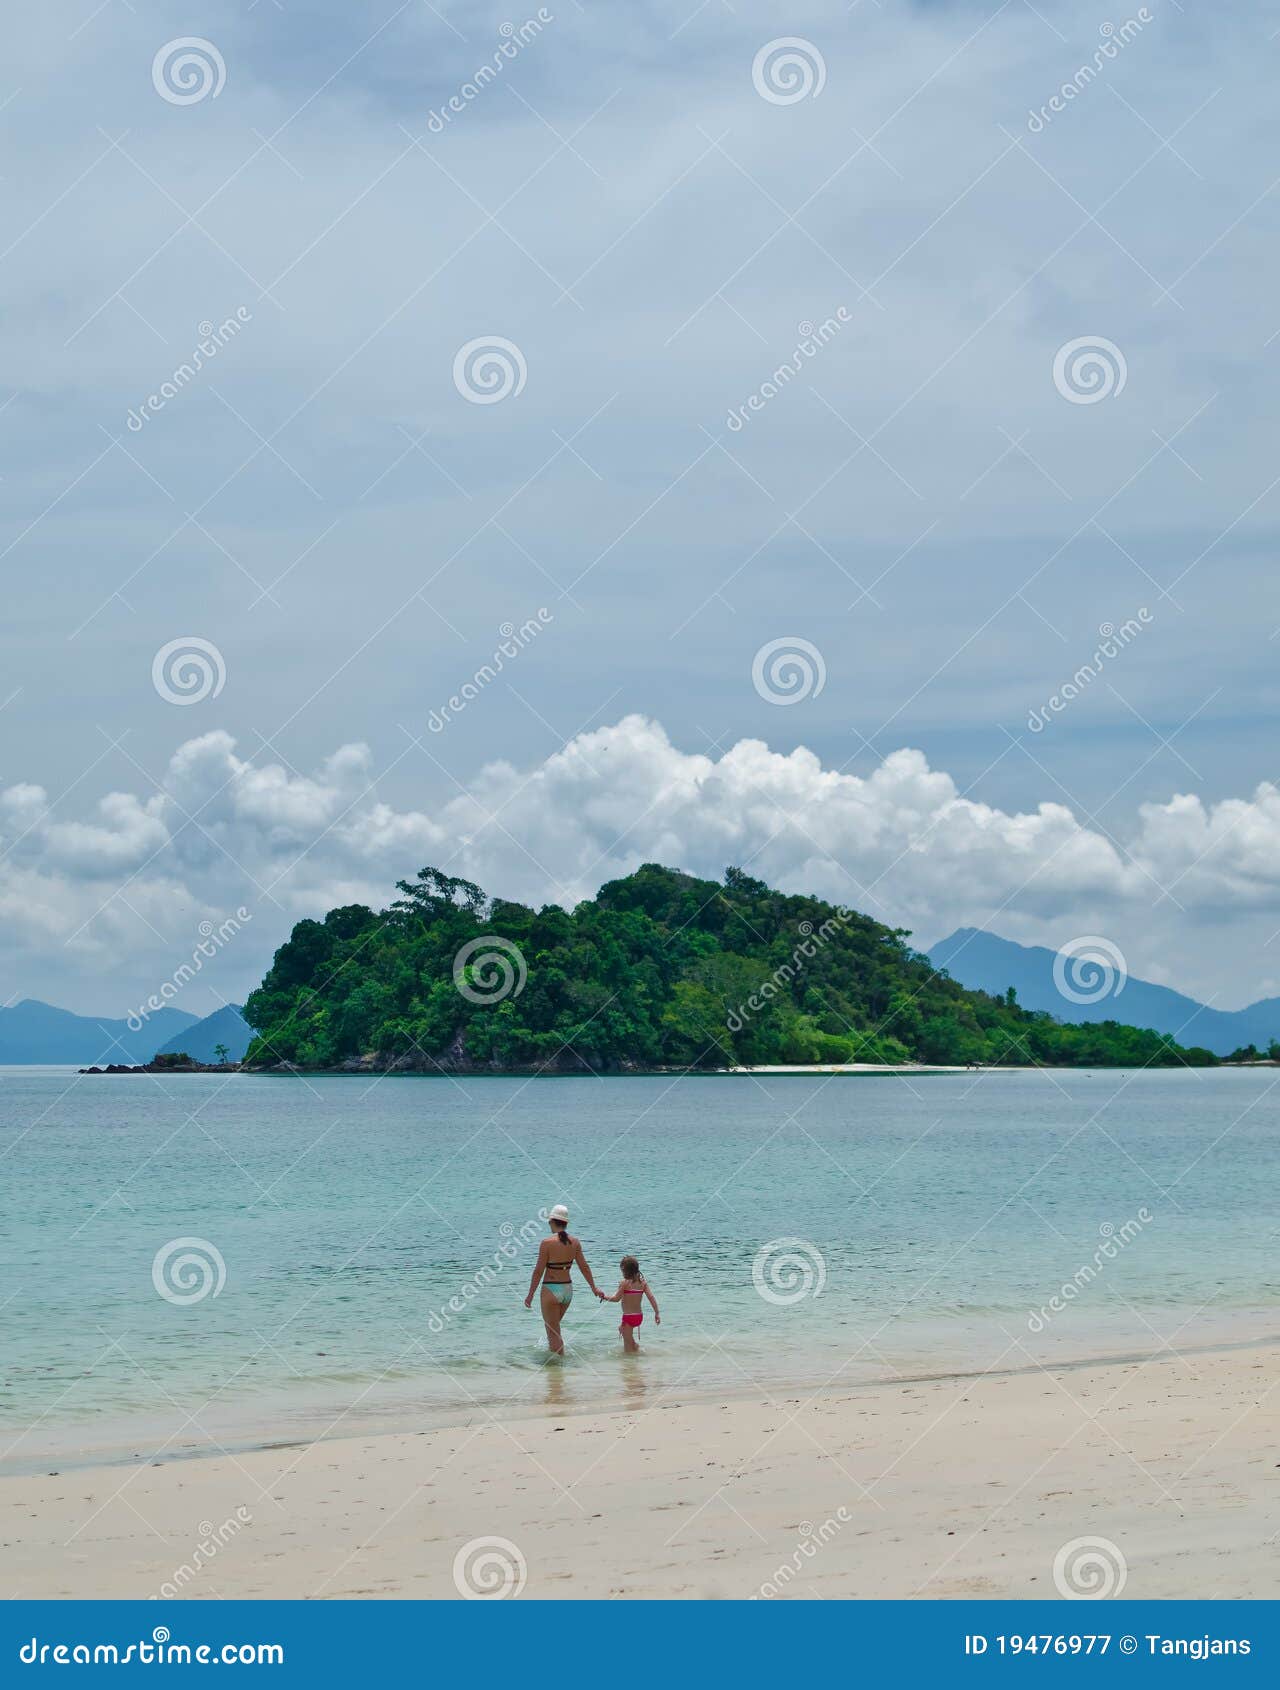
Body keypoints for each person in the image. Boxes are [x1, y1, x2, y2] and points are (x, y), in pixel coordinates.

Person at [524, 1204, 604, 1355]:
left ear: (552, 1221)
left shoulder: (546, 1243)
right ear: (565, 1223)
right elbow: (584, 1267)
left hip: (551, 1289)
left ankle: (559, 1365)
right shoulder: (575, 1242)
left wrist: (530, 1294)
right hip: (567, 1291)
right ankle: (554, 1362)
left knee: (553, 1333)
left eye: (549, 1221)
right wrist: (594, 1288)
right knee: (553, 1330)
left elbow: (538, 1271)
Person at [601, 1254, 660, 1353]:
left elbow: (616, 1299)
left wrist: (604, 1297)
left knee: (627, 1350)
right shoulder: (643, 1283)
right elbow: (651, 1297)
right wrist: (657, 1313)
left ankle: (632, 1360)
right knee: (626, 1334)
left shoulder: (624, 1283)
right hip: (639, 1317)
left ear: (626, 1271)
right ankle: (635, 1348)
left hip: (628, 1317)